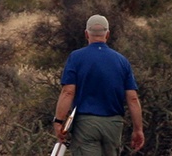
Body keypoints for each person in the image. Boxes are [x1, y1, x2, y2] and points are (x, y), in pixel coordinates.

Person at [54, 14, 144, 154]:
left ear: (86, 34)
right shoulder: (122, 61)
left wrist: (58, 121)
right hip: (113, 125)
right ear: (107, 34)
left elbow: (68, 92)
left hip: (85, 124)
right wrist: (138, 129)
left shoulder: (76, 57)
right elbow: (132, 98)